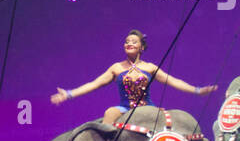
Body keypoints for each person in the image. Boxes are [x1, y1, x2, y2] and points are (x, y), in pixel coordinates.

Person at [51, 28, 217, 124]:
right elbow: (93, 84)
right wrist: (69, 94)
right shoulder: (116, 68)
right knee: (109, 113)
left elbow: (174, 81)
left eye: (133, 41)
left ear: (141, 47)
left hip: (148, 107)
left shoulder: (150, 67)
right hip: (125, 107)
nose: (129, 43)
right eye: (126, 41)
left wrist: (197, 91)